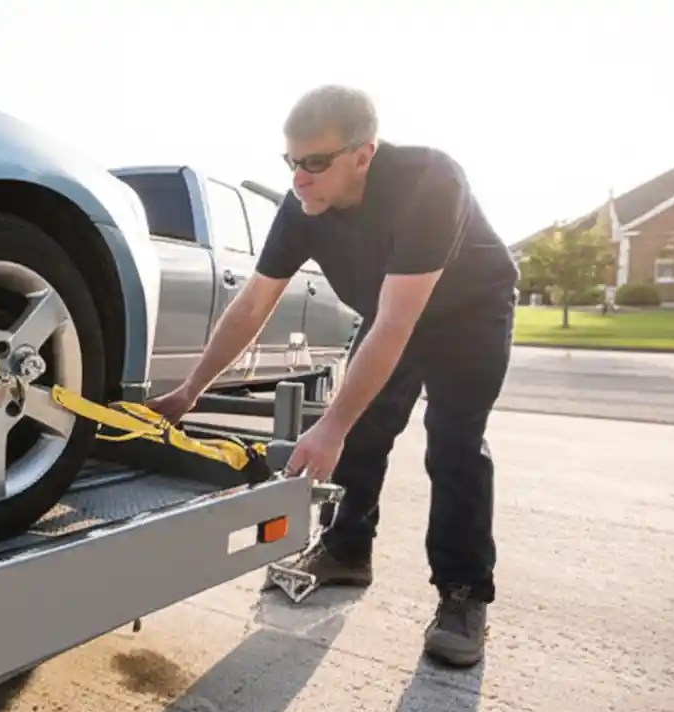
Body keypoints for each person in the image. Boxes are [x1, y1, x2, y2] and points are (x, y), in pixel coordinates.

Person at [146, 85, 519, 668]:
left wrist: (332, 426)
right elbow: (251, 306)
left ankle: (463, 592)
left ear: (363, 155)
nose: (299, 178)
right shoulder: (302, 207)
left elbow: (398, 323)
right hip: (389, 310)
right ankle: (347, 550)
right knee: (364, 433)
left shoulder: (429, 181)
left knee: (453, 444)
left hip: (470, 311)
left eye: (315, 163)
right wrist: (191, 389)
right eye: (291, 162)